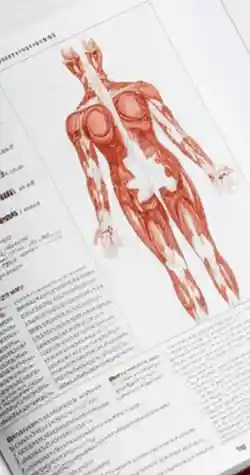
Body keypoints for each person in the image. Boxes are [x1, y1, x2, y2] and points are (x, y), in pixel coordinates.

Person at [63, 38, 239, 320]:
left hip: (155, 176)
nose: (86, 65)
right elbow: (93, 173)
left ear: (96, 56)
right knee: (180, 263)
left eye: (87, 56)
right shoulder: (81, 119)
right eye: (78, 61)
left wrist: (209, 167)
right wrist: (104, 220)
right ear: (73, 67)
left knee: (203, 254)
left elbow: (174, 131)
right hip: (138, 185)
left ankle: (235, 312)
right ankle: (210, 325)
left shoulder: (130, 93)